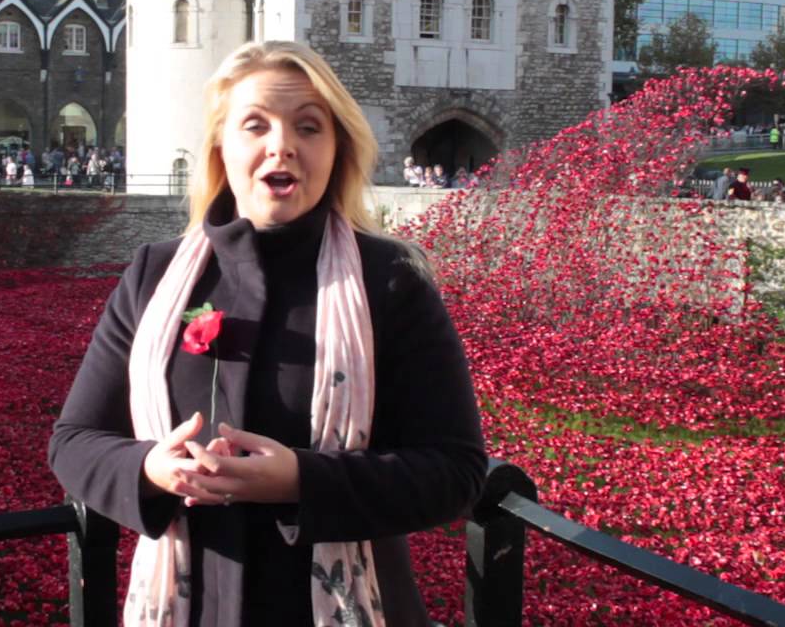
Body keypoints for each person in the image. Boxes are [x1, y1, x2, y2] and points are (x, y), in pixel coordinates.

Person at [48, 41, 487, 627]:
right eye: (255, 125)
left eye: (309, 127)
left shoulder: (391, 281)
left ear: (337, 150)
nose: (281, 145)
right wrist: (152, 470)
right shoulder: (154, 274)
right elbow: (75, 441)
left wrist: (301, 481)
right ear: (220, 147)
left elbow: (455, 470)